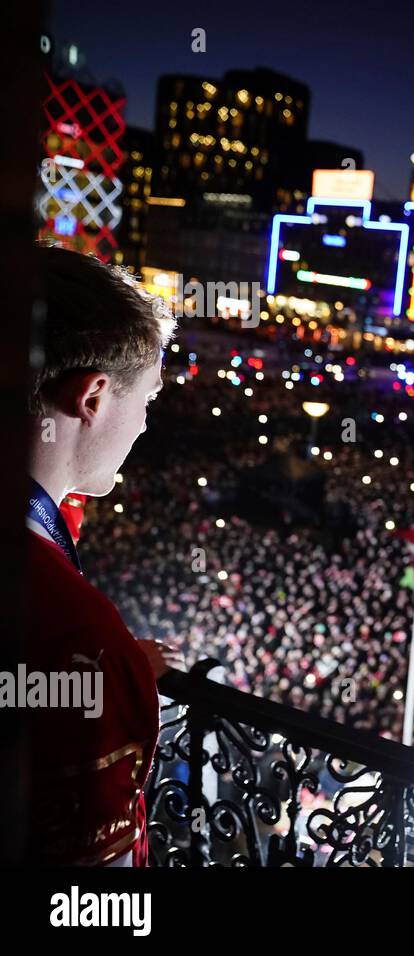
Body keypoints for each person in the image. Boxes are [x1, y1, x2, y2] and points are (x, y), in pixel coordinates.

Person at [17, 245, 179, 865]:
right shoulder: (76, 632)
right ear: (93, 397)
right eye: (148, 400)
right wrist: (111, 674)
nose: (142, 425)